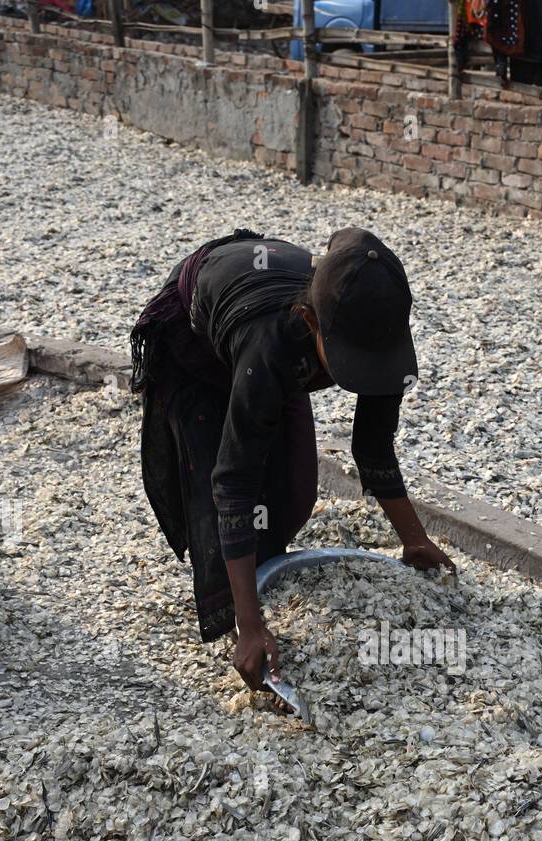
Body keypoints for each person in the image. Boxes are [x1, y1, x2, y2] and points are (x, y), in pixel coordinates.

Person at [130, 226, 454, 691]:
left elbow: (374, 444)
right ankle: (240, 625)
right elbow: (233, 481)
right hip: (201, 338)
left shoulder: (377, 323)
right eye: (348, 359)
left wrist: (414, 539)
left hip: (273, 341)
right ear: (309, 320)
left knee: (294, 492)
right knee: (218, 491)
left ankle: (261, 572)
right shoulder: (272, 343)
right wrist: (251, 624)